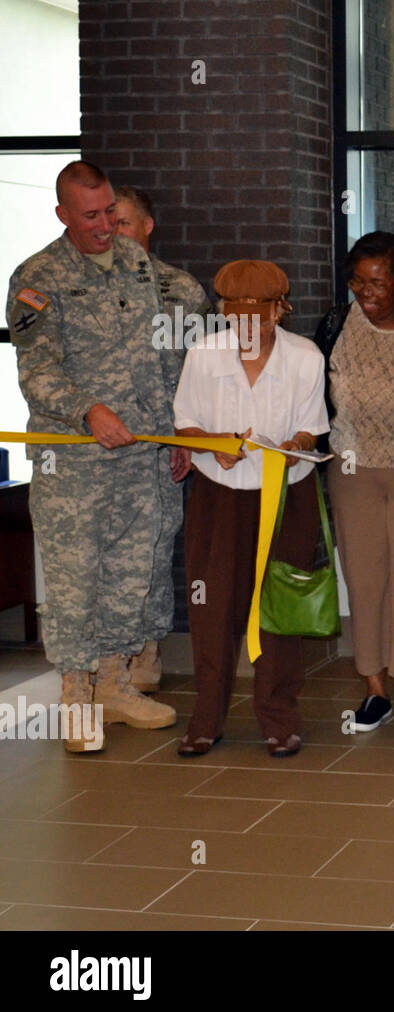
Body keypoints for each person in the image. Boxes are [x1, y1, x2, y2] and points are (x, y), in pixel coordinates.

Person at [6, 159, 178, 752]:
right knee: (77, 578)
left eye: (110, 211)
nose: (106, 225)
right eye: (91, 215)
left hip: (141, 455)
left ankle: (115, 682)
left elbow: (163, 355)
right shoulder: (37, 277)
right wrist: (88, 410)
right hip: (74, 462)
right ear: (62, 215)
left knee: (131, 574)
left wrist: (176, 431)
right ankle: (76, 697)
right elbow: (37, 372)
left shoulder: (136, 263)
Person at [173, 259, 328, 758]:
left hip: (286, 495)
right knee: (212, 606)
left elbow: (312, 430)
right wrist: (210, 442)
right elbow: (185, 423)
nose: (246, 328)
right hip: (219, 495)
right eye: (235, 317)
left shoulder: (305, 357)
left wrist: (295, 441)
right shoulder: (203, 354)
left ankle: (280, 720)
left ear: (280, 311)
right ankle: (206, 719)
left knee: (278, 609)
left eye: (257, 318)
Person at [314, 232, 394, 736]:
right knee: (365, 582)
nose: (366, 293)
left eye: (378, 283)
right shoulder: (333, 325)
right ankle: (373, 689)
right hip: (352, 472)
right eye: (357, 282)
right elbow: (314, 393)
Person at [112, 184, 211, 694]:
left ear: (148, 226)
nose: (113, 231)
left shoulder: (183, 291)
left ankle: (146, 656)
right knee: (104, 558)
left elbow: (202, 373)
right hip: (101, 453)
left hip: (161, 451)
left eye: (123, 222)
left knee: (152, 555)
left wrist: (186, 440)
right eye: (106, 222)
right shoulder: (90, 287)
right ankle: (106, 664)